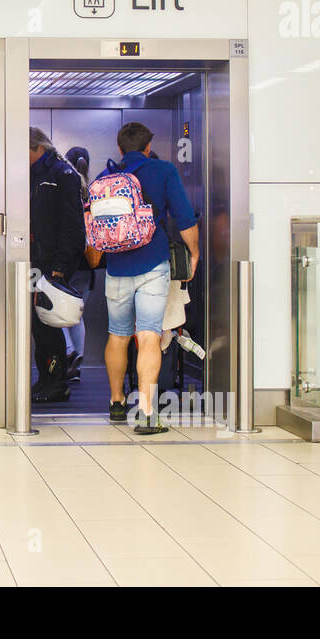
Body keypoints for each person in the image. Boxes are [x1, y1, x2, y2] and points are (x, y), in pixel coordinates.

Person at [102, 122, 198, 434]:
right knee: (148, 336)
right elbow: (184, 218)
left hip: (116, 266)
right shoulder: (164, 171)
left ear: (120, 149)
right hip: (153, 265)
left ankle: (116, 403)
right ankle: (145, 412)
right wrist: (194, 253)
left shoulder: (107, 177)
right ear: (147, 147)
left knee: (117, 336)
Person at [29, 127, 86, 402]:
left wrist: (60, 266)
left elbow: (72, 225)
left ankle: (57, 382)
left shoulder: (62, 175)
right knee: (38, 324)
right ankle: (46, 379)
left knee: (49, 324)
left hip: (53, 261)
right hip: (36, 259)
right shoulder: (36, 174)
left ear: (37, 148)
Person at [61, 146, 94, 384]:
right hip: (88, 264)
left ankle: (69, 350)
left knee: (55, 310)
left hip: (66, 261)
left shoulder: (65, 188)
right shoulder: (94, 192)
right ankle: (78, 361)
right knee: (78, 315)